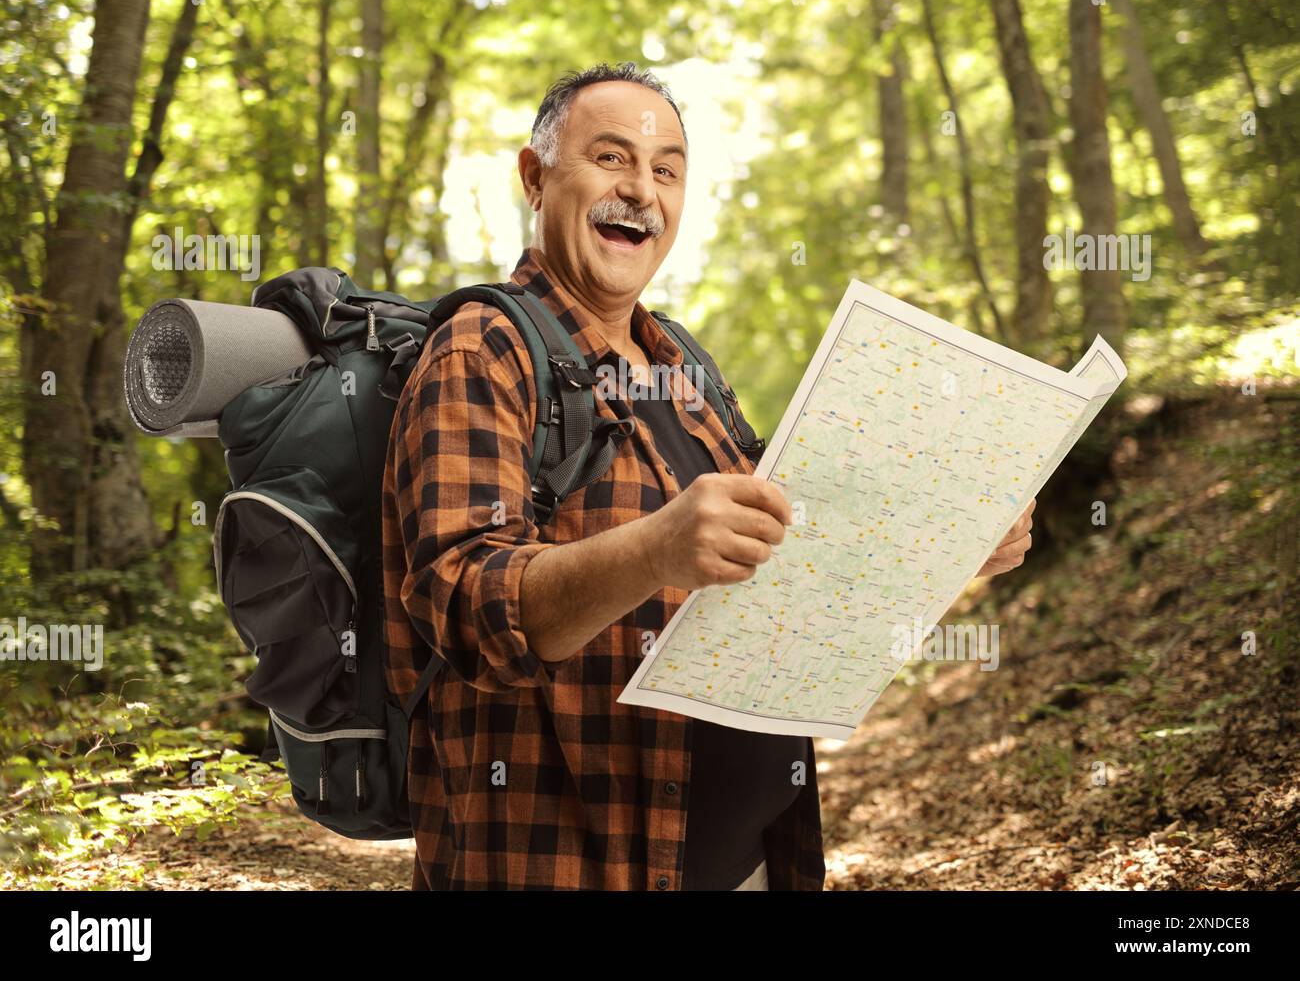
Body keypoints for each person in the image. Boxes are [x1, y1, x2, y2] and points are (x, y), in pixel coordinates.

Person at [382, 62, 1035, 891]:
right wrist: (655, 550)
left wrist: (951, 538)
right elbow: (464, 606)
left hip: (756, 860)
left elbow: (799, 554)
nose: (641, 192)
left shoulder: (680, 361)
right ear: (536, 176)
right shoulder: (482, 348)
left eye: (665, 171)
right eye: (611, 159)